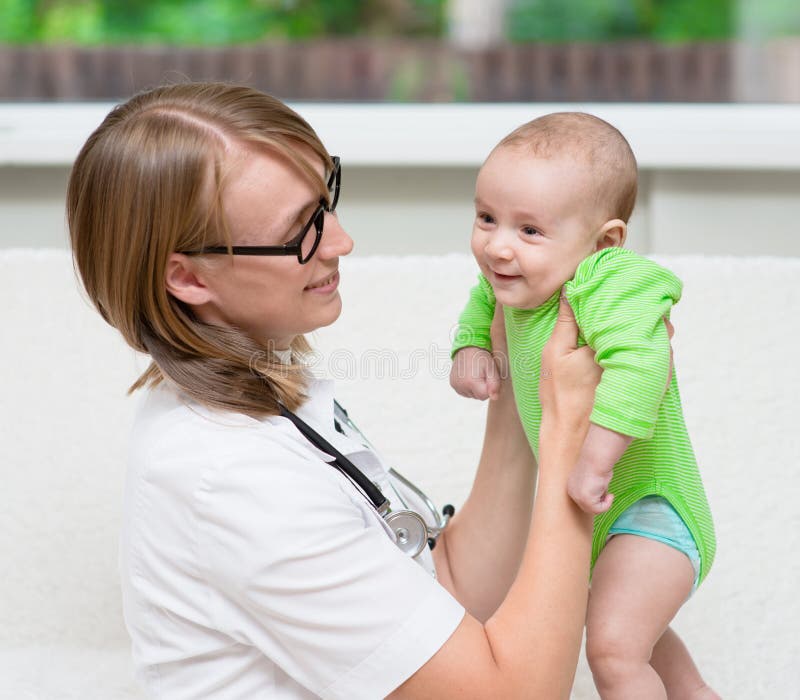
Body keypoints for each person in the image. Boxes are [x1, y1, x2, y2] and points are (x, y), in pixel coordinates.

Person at [67, 83, 604, 699]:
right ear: (188, 277)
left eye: (327, 201)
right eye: (302, 232)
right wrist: (572, 443)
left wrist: (520, 380)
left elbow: (445, 588)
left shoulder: (269, 397)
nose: (341, 242)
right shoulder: (233, 479)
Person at [450, 112, 719, 699]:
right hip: (597, 513)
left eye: (530, 230)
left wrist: (594, 460)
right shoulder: (509, 280)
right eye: (486, 217)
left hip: (651, 509)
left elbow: (641, 366)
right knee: (631, 638)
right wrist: (470, 349)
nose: (497, 246)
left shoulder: (610, 281)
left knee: (612, 650)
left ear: (605, 241)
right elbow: (480, 312)